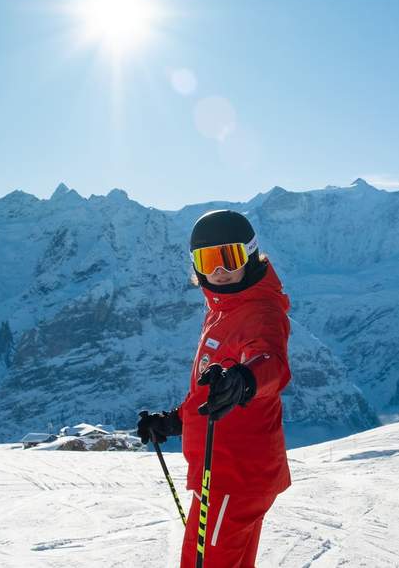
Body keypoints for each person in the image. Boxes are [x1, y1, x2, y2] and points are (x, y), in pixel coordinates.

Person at [136, 210, 292, 568]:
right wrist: (175, 422)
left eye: (229, 257)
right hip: (231, 470)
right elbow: (213, 389)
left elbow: (271, 363)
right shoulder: (223, 308)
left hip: (233, 472)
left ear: (251, 255)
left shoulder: (260, 311)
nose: (219, 270)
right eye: (209, 260)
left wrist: (244, 380)